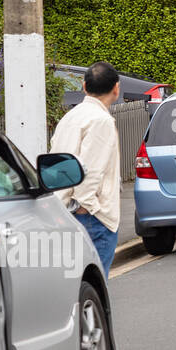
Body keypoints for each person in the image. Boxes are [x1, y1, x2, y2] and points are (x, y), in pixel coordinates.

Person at [51, 61, 122, 278]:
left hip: (66, 211)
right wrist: (90, 207)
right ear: (116, 88)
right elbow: (90, 172)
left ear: (84, 86)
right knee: (93, 290)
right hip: (92, 218)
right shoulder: (101, 121)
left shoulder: (70, 117)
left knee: (76, 289)